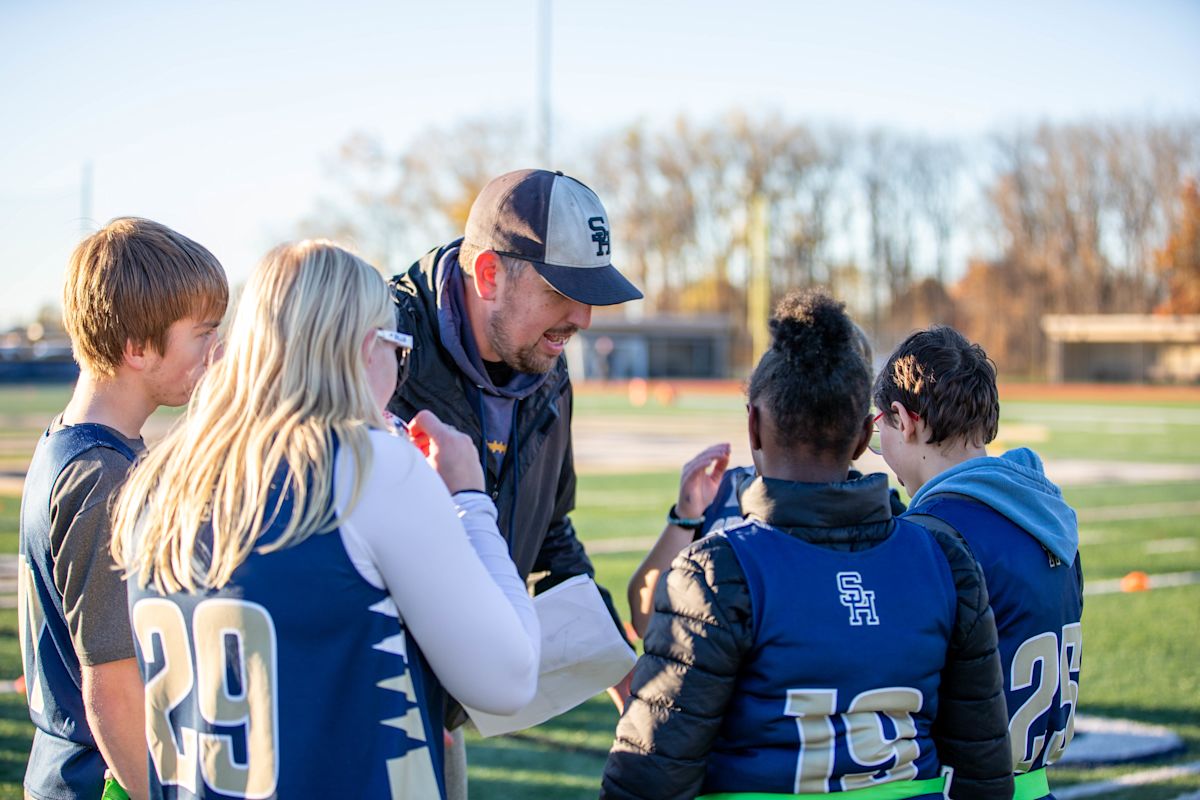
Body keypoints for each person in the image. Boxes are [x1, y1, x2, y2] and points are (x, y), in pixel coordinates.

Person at [110, 241, 540, 799]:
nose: (398, 369)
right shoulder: (369, 466)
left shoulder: (162, 477)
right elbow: (509, 678)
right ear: (366, 349)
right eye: (397, 349)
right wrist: (470, 500)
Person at [602, 290, 1014, 800]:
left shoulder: (716, 573)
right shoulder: (947, 560)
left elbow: (647, 784)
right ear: (865, 437)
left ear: (753, 424)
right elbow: (986, 774)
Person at [386, 168, 643, 790]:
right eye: (562, 291)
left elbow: (550, 533)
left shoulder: (547, 367)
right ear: (489, 275)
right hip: (369, 706)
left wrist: (622, 673)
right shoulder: (378, 343)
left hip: (444, 713)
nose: (581, 318)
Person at [17, 218, 228, 800]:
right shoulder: (102, 477)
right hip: (100, 779)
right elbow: (112, 683)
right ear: (136, 346)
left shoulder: (79, 444)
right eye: (204, 333)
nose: (219, 351)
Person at [873, 326, 1084, 798]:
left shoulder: (934, 534)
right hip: (1036, 786)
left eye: (879, 429)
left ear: (904, 420)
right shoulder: (1046, 514)